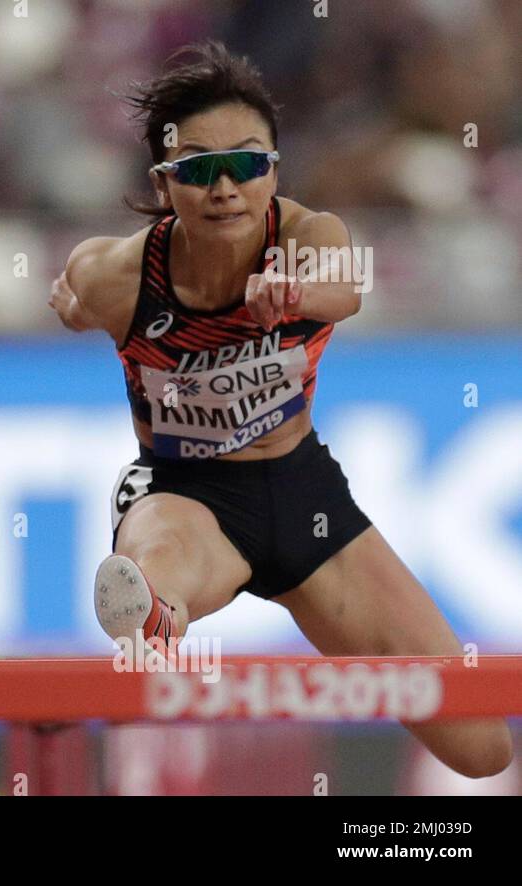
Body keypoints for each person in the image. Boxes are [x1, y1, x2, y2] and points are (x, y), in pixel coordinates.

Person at [48, 43, 512, 778]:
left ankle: (160, 608)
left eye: (249, 164)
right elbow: (74, 296)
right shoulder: (121, 275)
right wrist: (73, 306)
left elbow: (345, 286)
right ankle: (155, 618)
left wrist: (295, 295)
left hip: (305, 499)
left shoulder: (305, 237)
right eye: (199, 169)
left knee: (482, 748)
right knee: (156, 553)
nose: (226, 187)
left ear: (275, 173)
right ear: (166, 186)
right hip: (185, 492)